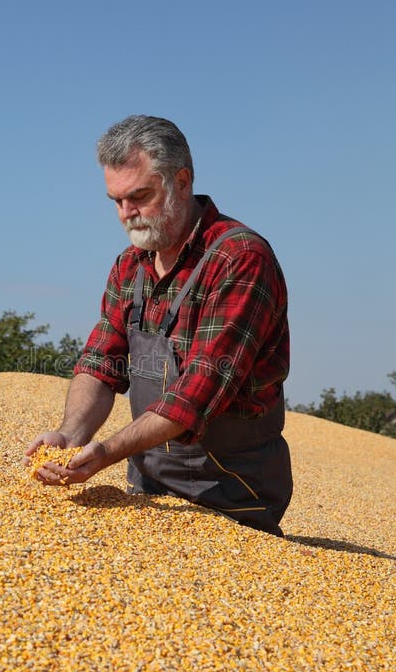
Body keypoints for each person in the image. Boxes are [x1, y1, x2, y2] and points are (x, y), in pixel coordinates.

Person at [24, 115, 292, 536]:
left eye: (140, 196)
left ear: (181, 181)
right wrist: (71, 434)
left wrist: (107, 452)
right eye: (116, 201)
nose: (126, 214)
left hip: (233, 498)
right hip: (148, 493)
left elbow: (196, 394)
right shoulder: (129, 266)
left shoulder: (239, 259)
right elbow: (100, 363)